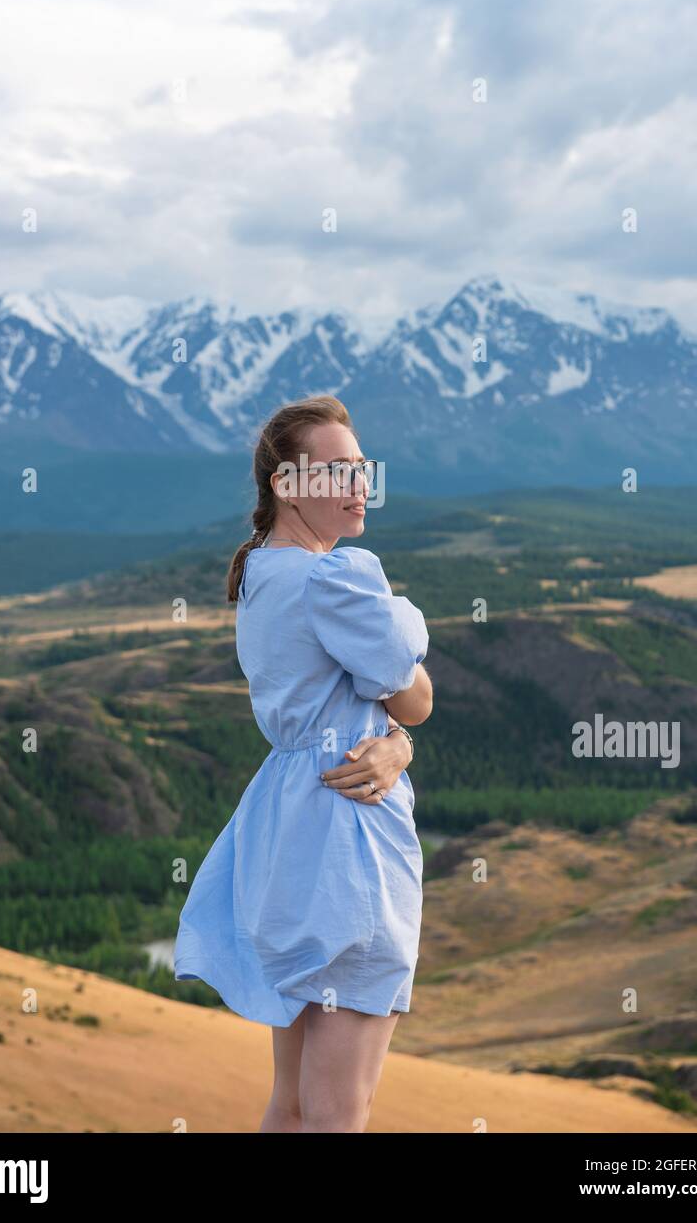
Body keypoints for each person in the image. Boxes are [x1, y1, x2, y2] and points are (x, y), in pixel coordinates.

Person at [173, 394, 432, 1132]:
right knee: (339, 1110)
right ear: (287, 486)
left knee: (290, 1101)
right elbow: (414, 696)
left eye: (362, 471)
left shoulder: (259, 572)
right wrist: (403, 615)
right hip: (348, 840)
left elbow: (388, 708)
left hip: (285, 828)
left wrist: (395, 738)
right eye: (337, 473)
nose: (359, 488)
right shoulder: (339, 577)